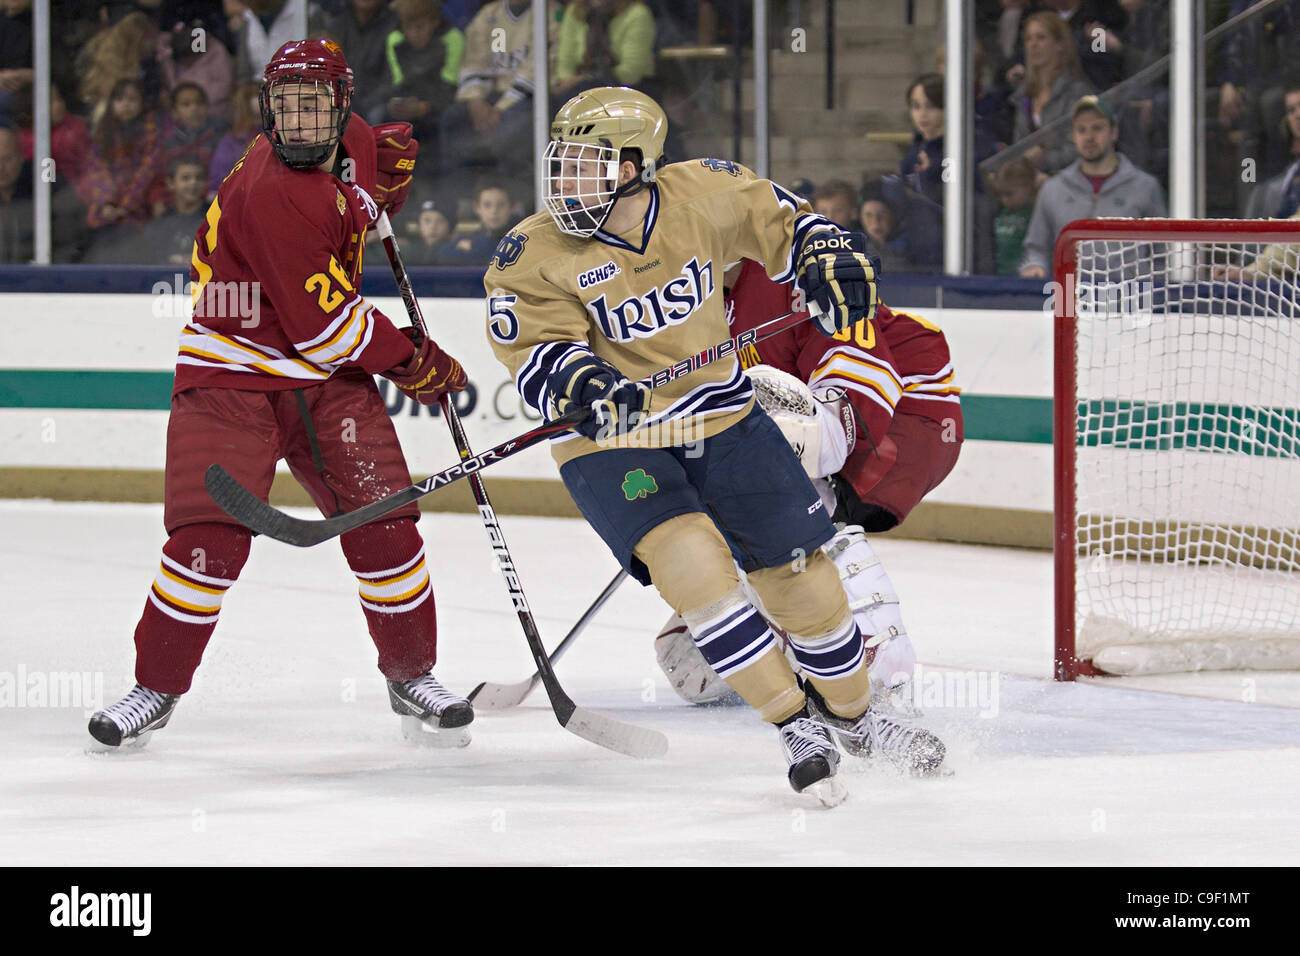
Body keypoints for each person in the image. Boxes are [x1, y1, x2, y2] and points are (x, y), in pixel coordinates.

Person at [484, 86, 945, 801]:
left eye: (587, 166)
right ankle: (796, 726)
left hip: (725, 418)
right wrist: (583, 385)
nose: (566, 184)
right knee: (695, 570)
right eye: (562, 165)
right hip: (616, 443)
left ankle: (855, 717)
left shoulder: (704, 191)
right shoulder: (533, 253)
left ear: (636, 166)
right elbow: (538, 354)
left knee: (806, 584)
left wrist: (826, 257)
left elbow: (794, 227)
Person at [88, 39, 475, 751]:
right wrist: (411, 359)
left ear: (341, 106)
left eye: (311, 106)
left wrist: (381, 194)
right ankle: (156, 685)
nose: (296, 123)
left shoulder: (351, 143)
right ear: (266, 109)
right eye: (284, 107)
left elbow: (356, 209)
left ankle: (411, 673)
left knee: (387, 527)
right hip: (233, 372)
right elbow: (328, 330)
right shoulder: (273, 192)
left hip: (324, 382)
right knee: (208, 541)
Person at [653, 258, 963, 715]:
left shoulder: (791, 273)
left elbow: (850, 403)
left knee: (767, 482)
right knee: (686, 659)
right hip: (826, 423)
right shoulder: (697, 304)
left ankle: (872, 662)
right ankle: (784, 633)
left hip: (907, 412)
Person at [1020, 94, 1165, 278]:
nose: (1089, 137)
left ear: (1114, 133)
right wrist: (1035, 266)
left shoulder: (1145, 187)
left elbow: (1161, 255)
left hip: (1130, 301)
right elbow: (1036, 248)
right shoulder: (1053, 189)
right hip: (1069, 301)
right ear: (1073, 136)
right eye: (1081, 130)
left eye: (1097, 128)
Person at [1008, 11, 1093, 176]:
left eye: (1041, 38)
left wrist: (1045, 159)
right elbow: (1018, 145)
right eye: (1028, 39)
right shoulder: (1024, 95)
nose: (1033, 44)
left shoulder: (1076, 93)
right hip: (1030, 182)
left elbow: (1081, 148)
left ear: (1060, 45)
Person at [438, 177, 513, 264]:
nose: (494, 211)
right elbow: (443, 254)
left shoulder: (521, 239)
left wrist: (475, 246)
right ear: (477, 208)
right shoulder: (469, 237)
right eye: (487, 205)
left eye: (501, 204)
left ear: (511, 207)